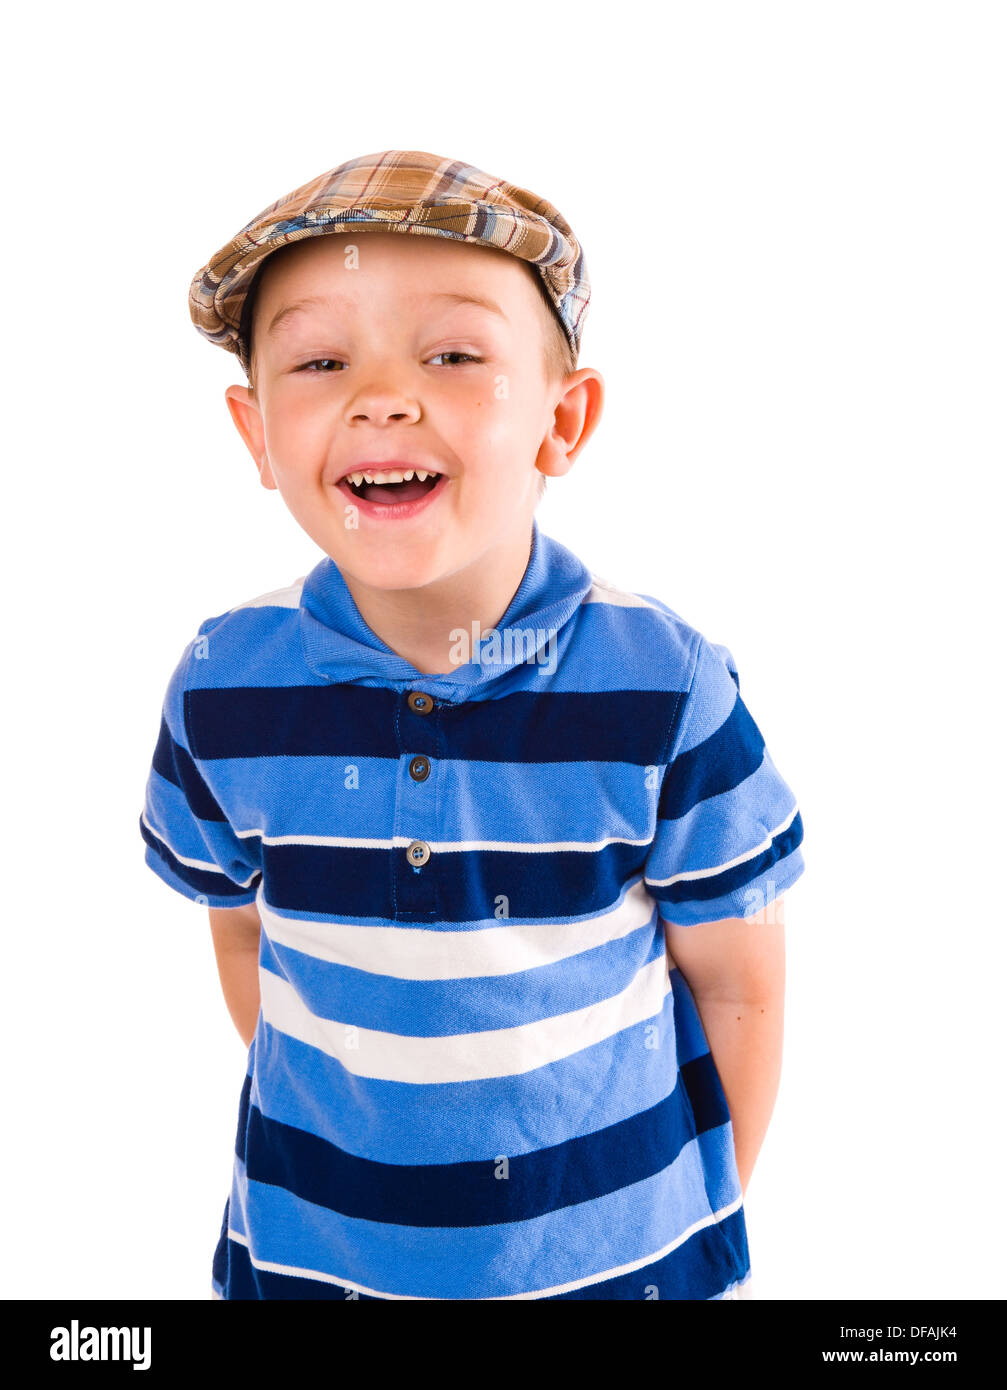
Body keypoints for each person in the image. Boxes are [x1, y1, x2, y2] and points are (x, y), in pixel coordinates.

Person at [139, 149, 806, 1301]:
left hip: (614, 1264)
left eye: (452, 354)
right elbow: (245, 934)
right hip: (314, 1258)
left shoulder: (660, 686)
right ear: (256, 433)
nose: (382, 396)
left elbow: (737, 983)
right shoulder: (221, 685)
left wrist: (691, 1217)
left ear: (563, 417)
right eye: (319, 358)